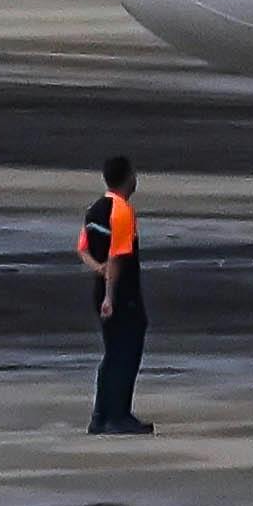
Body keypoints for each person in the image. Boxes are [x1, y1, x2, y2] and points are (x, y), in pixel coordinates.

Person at [79, 153, 149, 436]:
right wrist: (110, 293)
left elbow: (83, 250)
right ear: (127, 178)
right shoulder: (122, 211)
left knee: (112, 354)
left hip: (102, 289)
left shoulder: (94, 210)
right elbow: (117, 256)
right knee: (125, 352)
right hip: (121, 294)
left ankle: (101, 415)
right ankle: (118, 415)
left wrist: (99, 270)